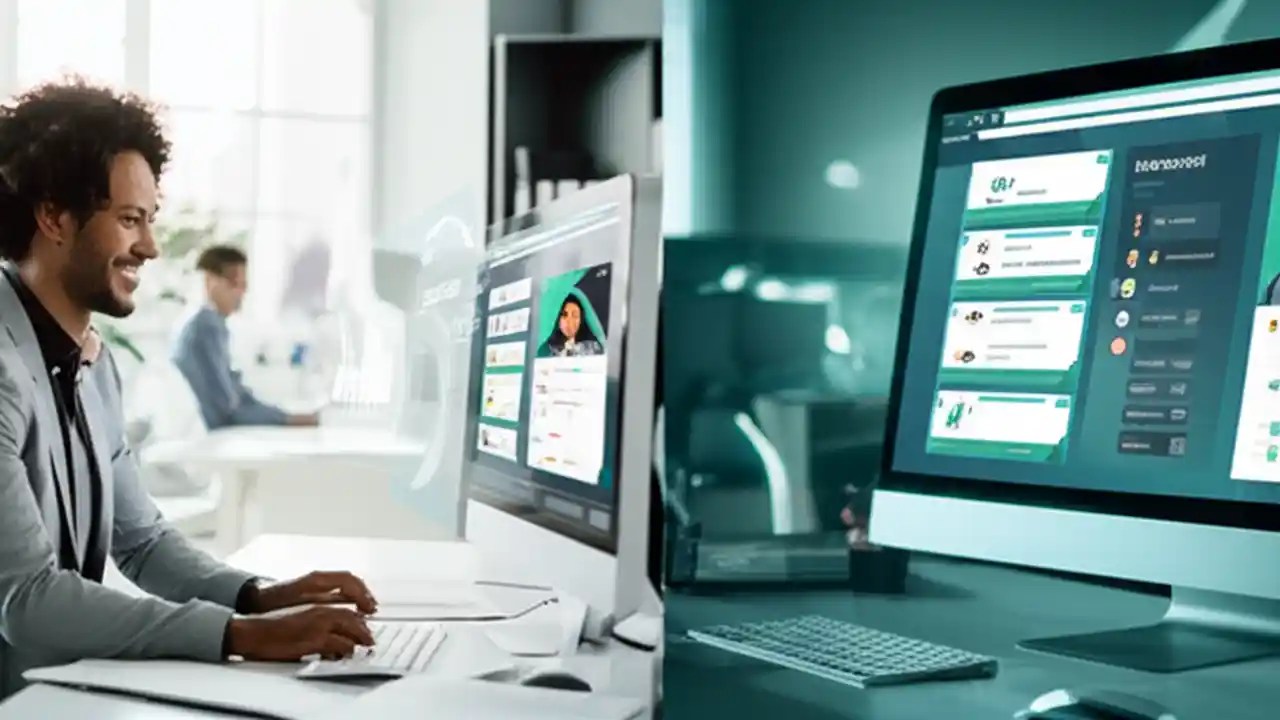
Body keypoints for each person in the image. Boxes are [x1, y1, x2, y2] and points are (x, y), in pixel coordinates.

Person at [0, 78, 375, 699]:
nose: (149, 246)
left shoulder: (91, 366)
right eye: (128, 220)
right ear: (54, 218)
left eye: (149, 221)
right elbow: (29, 601)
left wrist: (259, 596)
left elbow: (141, 541)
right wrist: (241, 635)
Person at [172, 245, 319, 428]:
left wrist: (285, 416)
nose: (242, 293)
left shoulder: (207, 324)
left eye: (244, 285)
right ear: (210, 281)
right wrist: (287, 420)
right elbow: (227, 410)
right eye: (235, 284)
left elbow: (237, 397)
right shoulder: (205, 328)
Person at [538, 293, 604, 357]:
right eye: (564, 315)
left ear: (581, 319)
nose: (570, 321)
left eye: (575, 315)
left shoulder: (593, 348)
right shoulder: (547, 350)